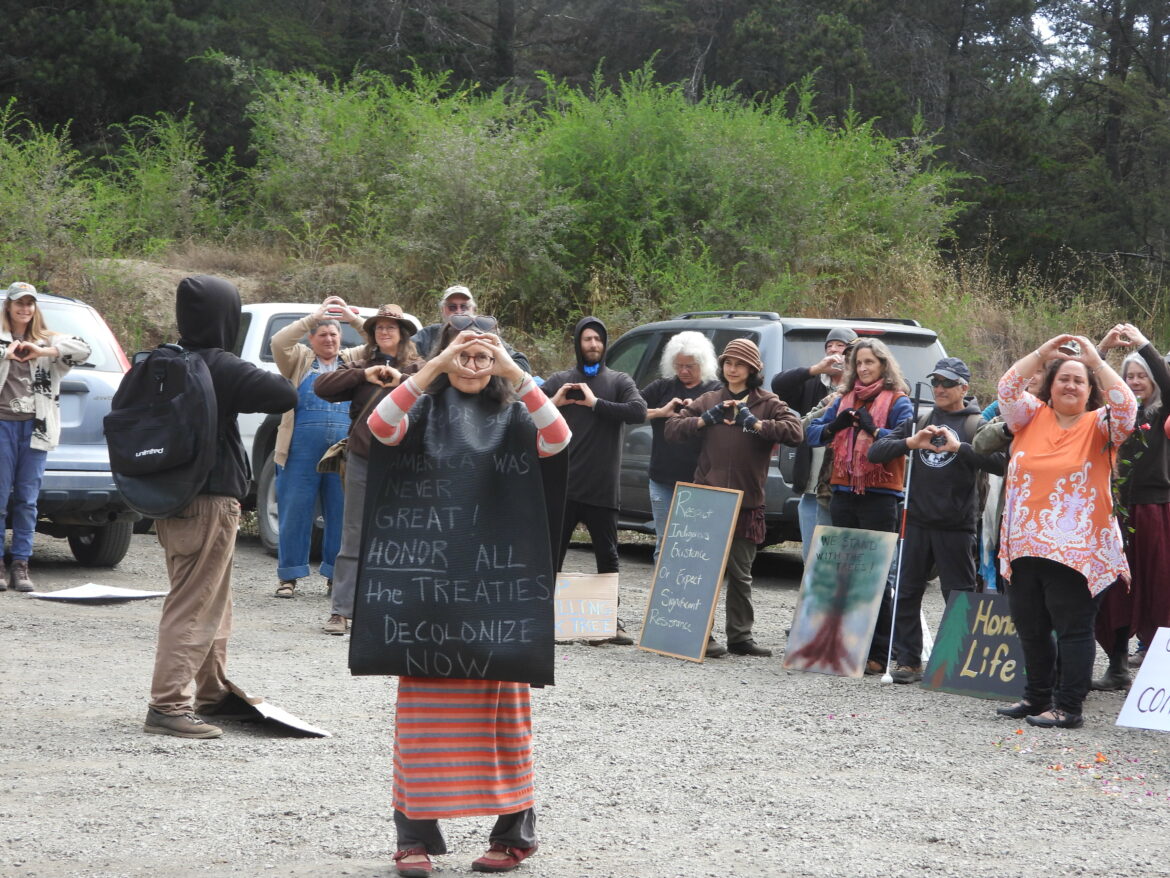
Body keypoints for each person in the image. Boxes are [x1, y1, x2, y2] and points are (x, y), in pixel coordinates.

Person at [366, 318, 570, 877]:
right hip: (427, 592)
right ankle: (414, 840)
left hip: (498, 595)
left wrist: (515, 371)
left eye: (484, 356)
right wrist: (433, 366)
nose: (473, 365)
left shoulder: (515, 409)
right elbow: (378, 425)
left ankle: (513, 837)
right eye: (463, 353)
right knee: (421, 726)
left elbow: (559, 437)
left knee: (505, 726)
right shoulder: (420, 409)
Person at [145, 276, 297, 738]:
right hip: (210, 500)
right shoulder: (220, 366)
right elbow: (284, 394)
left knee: (211, 598)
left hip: (171, 497)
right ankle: (168, 704)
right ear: (226, 318)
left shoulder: (162, 361)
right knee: (194, 602)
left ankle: (211, 693)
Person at [993, 334, 1135, 729]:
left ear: (1090, 390)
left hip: (1077, 552)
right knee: (1031, 627)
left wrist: (1095, 360)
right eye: (1063, 379)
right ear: (1050, 385)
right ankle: (1036, 697)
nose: (1070, 385)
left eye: (1079, 380)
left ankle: (1069, 707)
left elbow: (1126, 404)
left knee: (1074, 630)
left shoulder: (1101, 425)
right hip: (1023, 546)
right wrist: (1040, 353)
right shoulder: (1028, 416)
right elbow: (1006, 386)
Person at [868, 357, 1005, 683]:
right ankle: (909, 661)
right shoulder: (922, 418)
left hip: (956, 526)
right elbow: (876, 451)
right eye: (936, 382)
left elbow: (1001, 464)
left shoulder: (976, 424)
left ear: (964, 388)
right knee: (905, 592)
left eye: (947, 383)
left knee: (958, 597)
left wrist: (961, 449)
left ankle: (958, 664)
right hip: (916, 522)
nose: (940, 388)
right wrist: (911, 443)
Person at [667, 338, 803, 657]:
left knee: (741, 574)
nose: (732, 369)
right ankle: (702, 634)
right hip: (708, 501)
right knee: (704, 572)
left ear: (753, 369)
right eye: (728, 363)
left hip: (746, 501)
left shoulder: (768, 402)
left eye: (739, 364)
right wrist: (703, 419)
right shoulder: (709, 398)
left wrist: (755, 423)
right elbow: (672, 429)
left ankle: (740, 637)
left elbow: (795, 432)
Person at [805, 338, 914, 674]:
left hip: (881, 495)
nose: (865, 368)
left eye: (871, 362)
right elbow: (810, 435)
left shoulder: (899, 400)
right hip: (842, 491)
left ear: (884, 365)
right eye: (860, 363)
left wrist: (873, 429)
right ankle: (841, 646)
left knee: (876, 574)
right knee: (843, 574)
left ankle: (879, 652)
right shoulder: (843, 399)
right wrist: (835, 425)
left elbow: (904, 440)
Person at [312, 303, 422, 635]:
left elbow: (435, 392)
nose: (384, 331)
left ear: (402, 333)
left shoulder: (420, 368)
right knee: (354, 535)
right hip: (362, 457)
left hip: (405, 463)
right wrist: (364, 375)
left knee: (402, 538)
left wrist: (402, 379)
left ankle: (392, 610)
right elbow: (322, 388)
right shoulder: (359, 365)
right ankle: (341, 611)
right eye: (378, 327)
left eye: (391, 327)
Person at [542, 317, 647, 644]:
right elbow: (522, 409)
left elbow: (638, 411)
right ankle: (545, 619)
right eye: (586, 339)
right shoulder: (560, 380)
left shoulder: (618, 381)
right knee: (552, 555)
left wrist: (595, 403)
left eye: (598, 340)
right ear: (578, 343)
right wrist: (554, 402)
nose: (592, 345)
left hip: (602, 486)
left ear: (604, 344)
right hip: (564, 485)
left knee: (608, 554)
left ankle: (607, 623)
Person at [270, 296, 367, 598]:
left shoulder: (353, 360)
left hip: (342, 451)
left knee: (341, 514)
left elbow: (378, 340)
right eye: (322, 334)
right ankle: (289, 577)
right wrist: (314, 317)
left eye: (334, 334)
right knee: (294, 512)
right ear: (312, 339)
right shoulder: (298, 359)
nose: (329, 339)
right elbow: (278, 340)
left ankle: (335, 578)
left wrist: (351, 318)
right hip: (299, 450)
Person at [1091, 323, 1170, 687]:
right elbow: (1087, 385)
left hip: (1153, 510)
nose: (1136, 381)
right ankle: (1118, 666)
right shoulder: (1115, 417)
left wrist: (1143, 345)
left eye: (1143, 375)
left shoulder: (1161, 414)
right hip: (1116, 513)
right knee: (1115, 592)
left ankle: (1158, 673)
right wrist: (1102, 349)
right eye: (1130, 376)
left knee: (1157, 589)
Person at [0, 282, 91, 592]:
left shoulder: (48, 342)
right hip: (3, 426)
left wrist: (43, 350)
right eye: (19, 303)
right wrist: (7, 355)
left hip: (36, 431)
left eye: (30, 303)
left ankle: (21, 565)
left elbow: (83, 348)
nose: (24, 308)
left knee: (27, 501)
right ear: (9, 306)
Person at [771, 326, 857, 561]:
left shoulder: (863, 388)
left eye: (841, 347)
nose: (834, 352)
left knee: (841, 559)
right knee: (813, 558)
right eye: (829, 347)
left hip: (847, 487)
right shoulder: (815, 385)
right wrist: (816, 369)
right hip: (812, 487)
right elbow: (779, 386)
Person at [639, 331, 720, 562]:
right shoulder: (661, 388)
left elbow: (727, 421)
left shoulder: (715, 390)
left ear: (702, 364)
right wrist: (661, 412)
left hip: (700, 481)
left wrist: (698, 409)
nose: (684, 371)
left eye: (690, 366)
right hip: (662, 479)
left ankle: (691, 596)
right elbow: (630, 411)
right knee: (665, 542)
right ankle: (663, 597)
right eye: (679, 365)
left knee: (695, 544)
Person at [410, 284, 531, 372]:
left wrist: (490, 369)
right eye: (452, 307)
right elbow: (403, 350)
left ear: (473, 310)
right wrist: (428, 367)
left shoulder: (487, 334)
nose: (458, 312)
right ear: (443, 310)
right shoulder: (430, 333)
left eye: (464, 307)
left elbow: (522, 365)